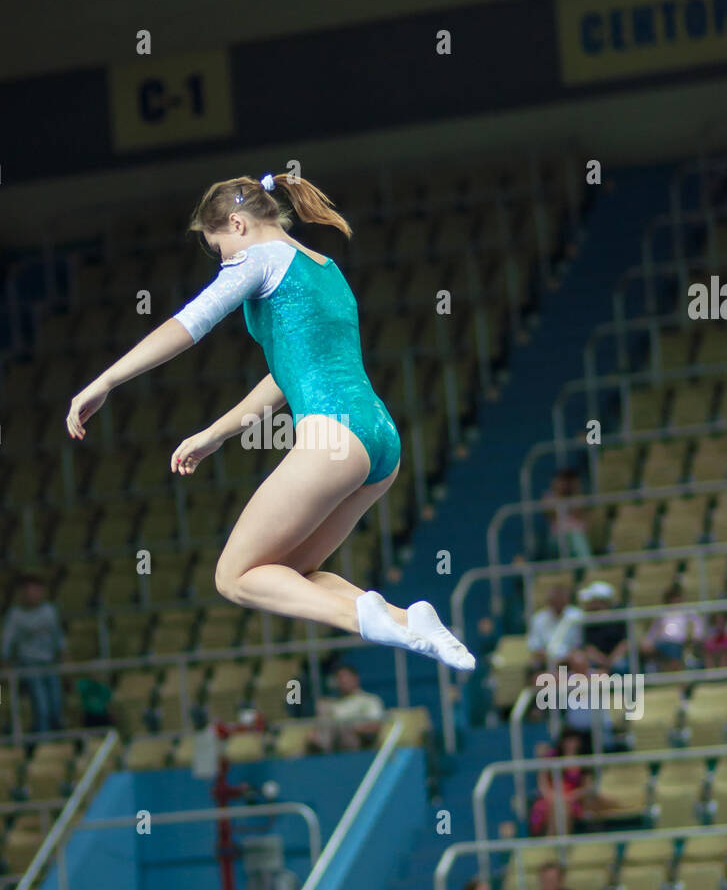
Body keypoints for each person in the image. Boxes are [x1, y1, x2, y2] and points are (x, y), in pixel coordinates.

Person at [66, 174, 475, 672]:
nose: (224, 262)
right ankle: (410, 622)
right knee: (289, 574)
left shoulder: (258, 259)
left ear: (237, 224)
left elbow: (189, 323)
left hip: (332, 438)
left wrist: (106, 380)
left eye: (219, 249)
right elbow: (287, 375)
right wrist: (217, 433)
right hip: (379, 439)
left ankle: (368, 621)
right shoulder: (325, 268)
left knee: (233, 577)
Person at [1, 575, 66, 733]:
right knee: (41, 707)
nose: (33, 595)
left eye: (36, 591)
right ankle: (44, 742)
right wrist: (5, 664)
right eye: (29, 591)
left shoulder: (49, 611)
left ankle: (59, 740)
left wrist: (65, 657)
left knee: (56, 705)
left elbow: (58, 637)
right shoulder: (15, 615)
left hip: (50, 663)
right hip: (29, 665)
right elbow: (6, 642)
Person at [529, 727, 618, 836]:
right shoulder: (552, 757)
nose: (571, 744)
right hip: (551, 798)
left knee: (564, 807)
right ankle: (551, 841)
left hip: (574, 800)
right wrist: (554, 796)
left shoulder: (584, 760)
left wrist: (571, 796)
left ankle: (559, 842)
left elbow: (587, 787)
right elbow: (543, 783)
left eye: (574, 740)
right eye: (568, 740)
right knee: (556, 806)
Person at [310, 663, 385, 751]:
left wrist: (353, 727)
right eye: (340, 678)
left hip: (358, 741)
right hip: (332, 739)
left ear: (356, 678)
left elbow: (375, 726)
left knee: (344, 729)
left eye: (346, 678)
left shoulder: (370, 700)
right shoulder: (331, 703)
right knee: (322, 708)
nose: (343, 681)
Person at [641, 584, 704, 672]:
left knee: (674, 650)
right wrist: (648, 641)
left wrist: (694, 638)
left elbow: (698, 631)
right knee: (648, 648)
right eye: (672, 597)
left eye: (677, 597)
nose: (675, 600)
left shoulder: (689, 613)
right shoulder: (662, 614)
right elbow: (652, 633)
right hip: (662, 643)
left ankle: (676, 671)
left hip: (681, 643)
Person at [527, 585, 573, 675]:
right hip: (545, 660)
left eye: (561, 600)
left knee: (578, 660)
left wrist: (564, 659)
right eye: (556, 601)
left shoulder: (575, 616)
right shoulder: (538, 619)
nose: (559, 603)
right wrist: (552, 660)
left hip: (569, 660)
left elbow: (578, 646)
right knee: (534, 666)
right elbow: (535, 647)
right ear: (549, 602)